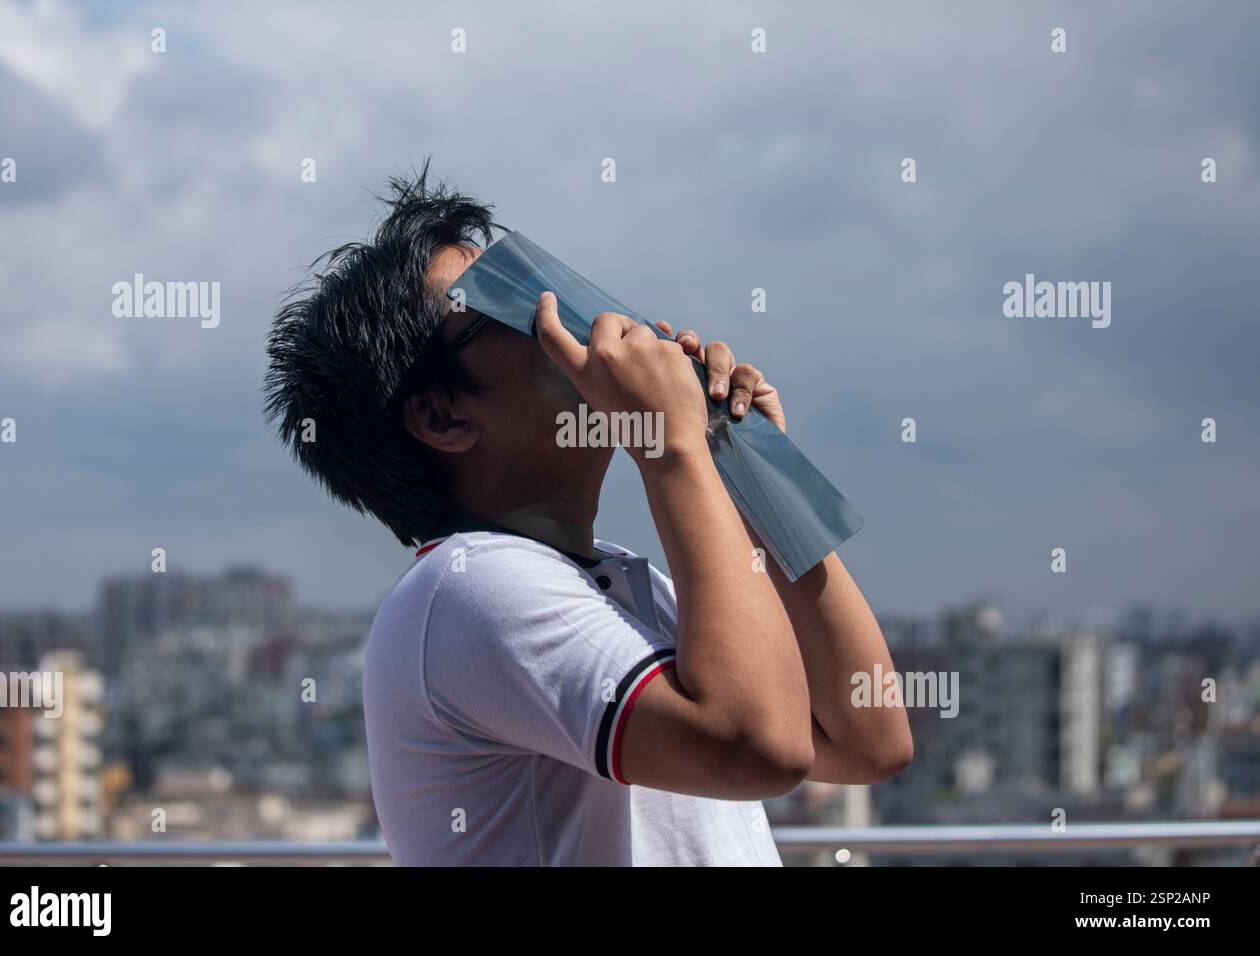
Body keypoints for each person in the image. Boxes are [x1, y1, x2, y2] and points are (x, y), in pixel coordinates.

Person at [264, 163, 912, 865]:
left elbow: (868, 738)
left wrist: (750, 476)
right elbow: (757, 746)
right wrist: (672, 447)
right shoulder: (466, 589)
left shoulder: (613, 580)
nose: (553, 310)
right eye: (502, 302)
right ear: (442, 415)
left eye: (529, 276)